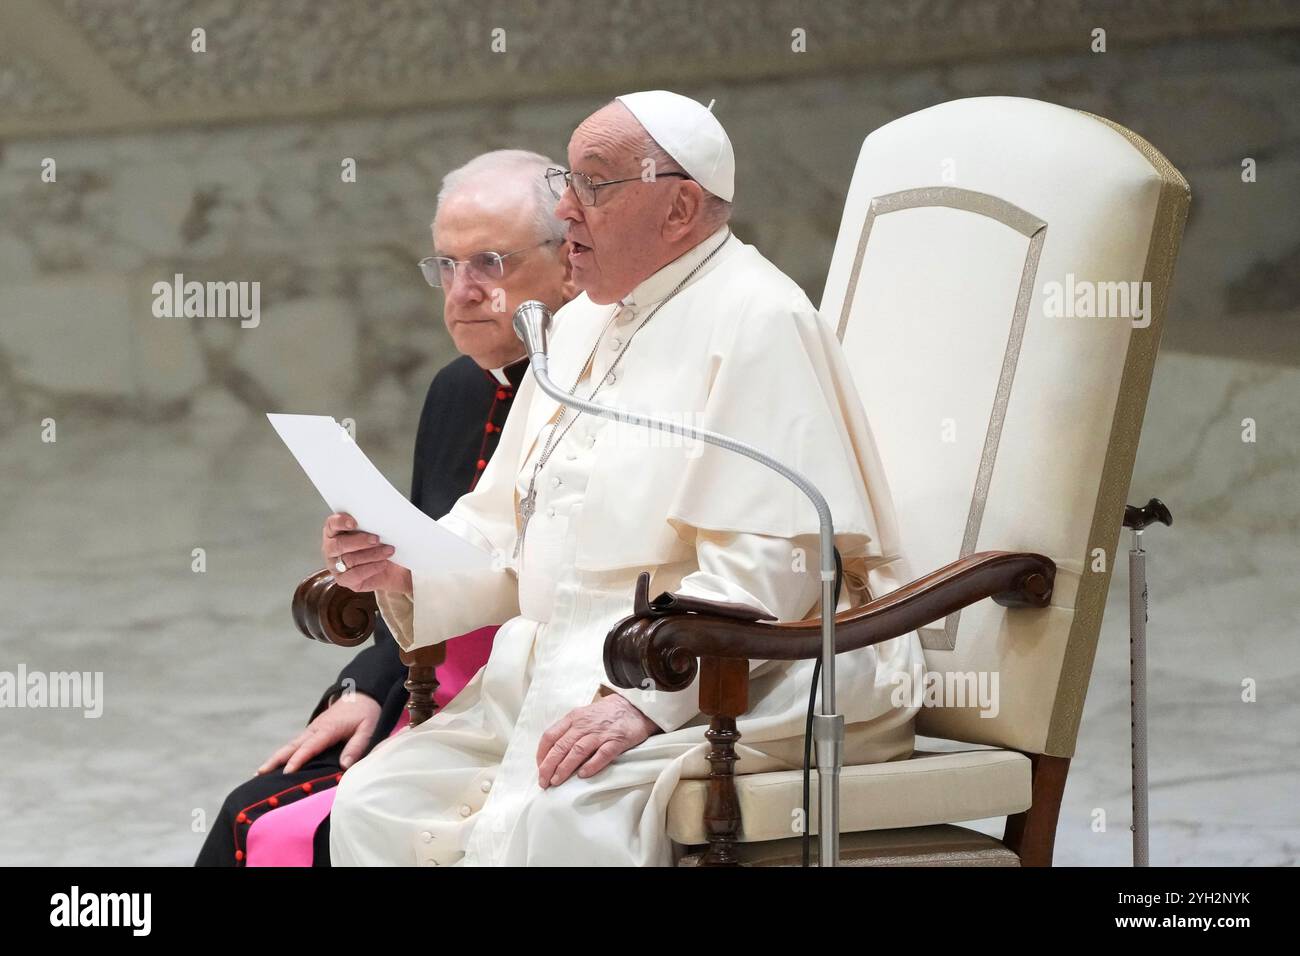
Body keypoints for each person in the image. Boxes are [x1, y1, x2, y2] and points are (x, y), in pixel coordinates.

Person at [326, 91, 926, 867]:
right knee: (377, 802)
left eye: (594, 185)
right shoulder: (576, 323)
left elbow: (775, 562)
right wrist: (406, 562)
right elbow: (502, 522)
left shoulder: (758, 319)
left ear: (679, 207)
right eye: (564, 185)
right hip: (546, 670)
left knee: (564, 822)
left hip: (728, 681)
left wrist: (646, 702)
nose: (567, 210)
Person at [195, 149, 575, 866]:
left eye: (489, 263)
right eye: (445, 265)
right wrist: (369, 683)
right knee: (252, 806)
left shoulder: (593, 398)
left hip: (531, 702)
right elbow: (421, 558)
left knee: (283, 825)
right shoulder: (457, 390)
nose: (461, 292)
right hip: (428, 686)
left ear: (570, 260)